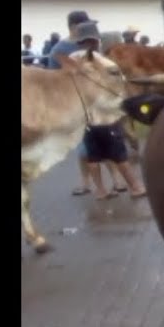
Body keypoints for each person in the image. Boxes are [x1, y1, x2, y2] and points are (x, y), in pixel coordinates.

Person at [49, 10, 126, 197]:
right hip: (77, 104)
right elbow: (55, 78)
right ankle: (87, 182)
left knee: (109, 139)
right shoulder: (59, 51)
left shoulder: (91, 45)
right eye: (84, 25)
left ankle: (116, 179)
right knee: (86, 147)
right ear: (74, 27)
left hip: (101, 102)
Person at [71, 21, 147, 200]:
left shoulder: (71, 60)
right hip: (104, 115)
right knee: (118, 153)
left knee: (93, 155)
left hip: (84, 116)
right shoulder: (98, 61)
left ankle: (100, 191)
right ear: (93, 40)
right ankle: (136, 186)